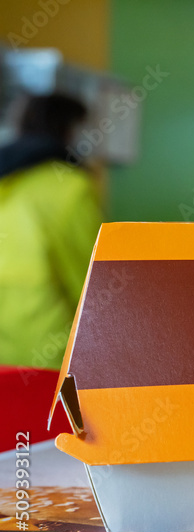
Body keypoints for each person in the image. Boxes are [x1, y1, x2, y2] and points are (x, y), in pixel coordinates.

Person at [0, 94, 102, 369]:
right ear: (70, 131)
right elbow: (91, 285)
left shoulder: (7, 180)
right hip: (47, 357)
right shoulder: (71, 188)